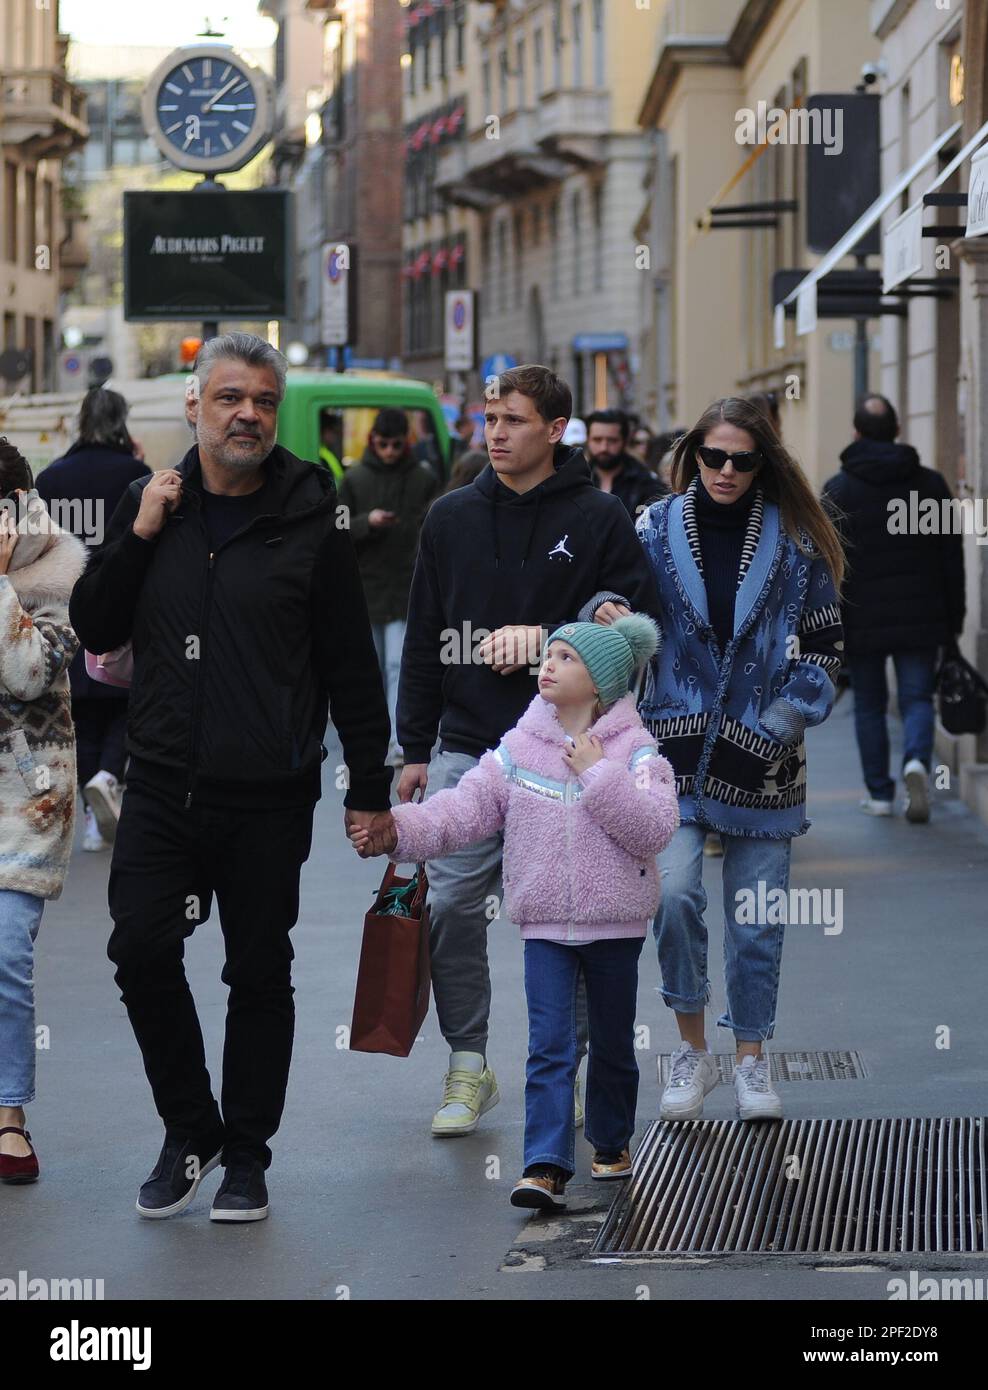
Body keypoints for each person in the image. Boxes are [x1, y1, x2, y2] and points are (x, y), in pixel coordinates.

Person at [69, 333, 393, 1224]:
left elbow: (348, 662)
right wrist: (135, 536)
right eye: (227, 398)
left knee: (258, 976)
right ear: (194, 406)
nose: (245, 413)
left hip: (266, 793)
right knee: (140, 949)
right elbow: (95, 627)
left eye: (260, 399)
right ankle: (191, 1130)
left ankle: (246, 1155)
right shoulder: (152, 503)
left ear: (273, 411)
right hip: (162, 783)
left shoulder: (310, 515)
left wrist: (369, 783)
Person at [395, 363, 662, 1138]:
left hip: (576, 749)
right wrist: (414, 746)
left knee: (575, 914)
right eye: (490, 418)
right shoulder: (449, 517)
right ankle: (469, 1064)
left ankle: (568, 1073)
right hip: (471, 742)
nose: (497, 433)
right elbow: (421, 638)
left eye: (513, 419)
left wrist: (552, 639)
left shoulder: (601, 516)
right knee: (450, 904)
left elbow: (634, 633)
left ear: (555, 430)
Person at [351, 615, 679, 1209]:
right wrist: (396, 831)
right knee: (549, 1046)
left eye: (564, 657)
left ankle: (610, 1139)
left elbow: (654, 829)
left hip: (616, 926)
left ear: (600, 682)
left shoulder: (637, 752)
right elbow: (463, 809)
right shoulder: (519, 747)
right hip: (545, 926)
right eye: (547, 655)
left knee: (610, 1044)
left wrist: (596, 775)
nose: (547, 665)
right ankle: (544, 1166)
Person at [589, 396, 845, 1122]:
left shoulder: (797, 540)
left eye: (743, 459)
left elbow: (826, 650)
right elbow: (619, 607)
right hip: (668, 754)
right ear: (692, 453)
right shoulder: (653, 528)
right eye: (713, 456)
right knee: (672, 898)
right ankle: (692, 1050)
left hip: (765, 761)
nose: (726, 470)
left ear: (764, 462)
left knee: (756, 921)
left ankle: (754, 1058)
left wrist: (774, 729)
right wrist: (607, 605)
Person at [0, 439, 87, 1184]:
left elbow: (28, 676)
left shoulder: (57, 570)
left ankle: (10, 1116)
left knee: (5, 957)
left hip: (25, 800)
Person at [822, 394, 965, 821]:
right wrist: (953, 618)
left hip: (862, 617)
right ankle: (917, 761)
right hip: (923, 615)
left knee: (868, 703)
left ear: (856, 433)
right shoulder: (930, 483)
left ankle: (880, 794)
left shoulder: (839, 489)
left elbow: (829, 565)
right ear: (898, 430)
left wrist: (831, 624)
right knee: (918, 697)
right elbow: (950, 556)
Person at [35, 387, 151, 852]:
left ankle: (89, 815)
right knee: (126, 701)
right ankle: (108, 775)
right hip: (123, 608)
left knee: (79, 710)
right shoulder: (137, 477)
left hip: (64, 610)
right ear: (122, 420)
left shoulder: (51, 479)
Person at [337, 409, 438, 768]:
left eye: (396, 445)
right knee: (372, 669)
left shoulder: (422, 478)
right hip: (366, 586)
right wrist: (368, 522)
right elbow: (336, 526)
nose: (390, 452)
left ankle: (397, 740)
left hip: (405, 584)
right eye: (384, 445)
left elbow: (434, 526)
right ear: (372, 441)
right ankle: (371, 740)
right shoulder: (355, 478)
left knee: (397, 665)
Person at [586, 409, 668, 520]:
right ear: (588, 440)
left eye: (612, 440)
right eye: (597, 440)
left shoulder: (645, 483)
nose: (604, 447)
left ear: (625, 442)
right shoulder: (577, 480)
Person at [317, 410, 345, 486]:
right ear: (326, 431)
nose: (335, 435)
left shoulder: (324, 452)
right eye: (333, 431)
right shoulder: (321, 456)